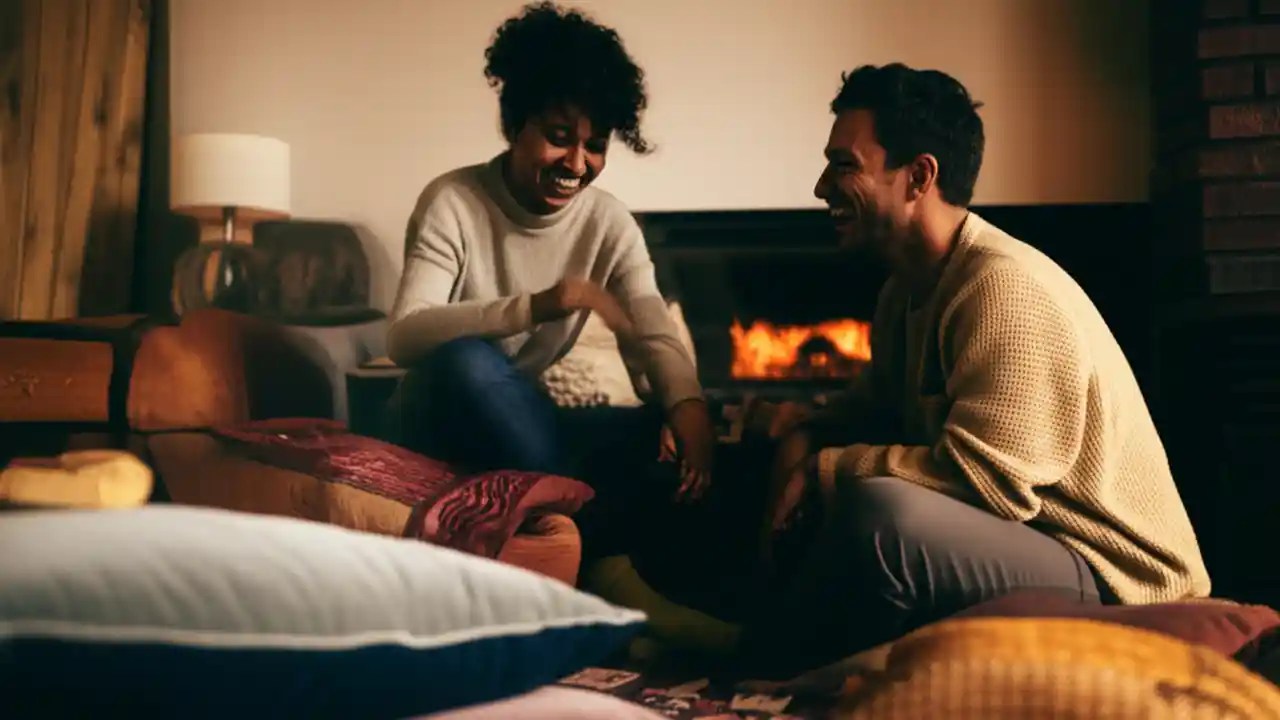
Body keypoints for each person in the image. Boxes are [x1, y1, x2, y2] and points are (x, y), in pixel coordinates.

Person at [744, 63, 1211, 674]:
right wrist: (801, 429)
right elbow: (876, 409)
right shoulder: (904, 292)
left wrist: (827, 466)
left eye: (845, 164)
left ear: (918, 177)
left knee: (884, 518)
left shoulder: (1001, 287)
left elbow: (990, 480)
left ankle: (780, 669)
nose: (820, 186)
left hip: (1110, 572)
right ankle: (758, 641)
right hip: (1033, 545)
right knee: (820, 476)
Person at [384, 2, 737, 654]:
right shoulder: (453, 201)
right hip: (440, 417)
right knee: (469, 361)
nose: (577, 161)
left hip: (522, 427)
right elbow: (403, 335)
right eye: (557, 135)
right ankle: (610, 582)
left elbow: (650, 321)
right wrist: (541, 303)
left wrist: (686, 405)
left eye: (595, 143)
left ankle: (644, 605)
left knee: (647, 433)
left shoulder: (606, 222)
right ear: (514, 124)